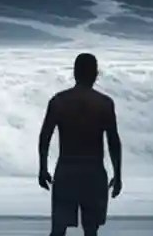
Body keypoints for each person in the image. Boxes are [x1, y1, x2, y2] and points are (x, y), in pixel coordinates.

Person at [38, 52, 122, 236]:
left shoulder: (59, 101)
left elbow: (45, 137)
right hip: (93, 172)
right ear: (95, 74)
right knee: (91, 231)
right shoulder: (104, 103)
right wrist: (118, 174)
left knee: (58, 230)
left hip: (67, 170)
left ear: (74, 73)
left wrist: (42, 168)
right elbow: (113, 141)